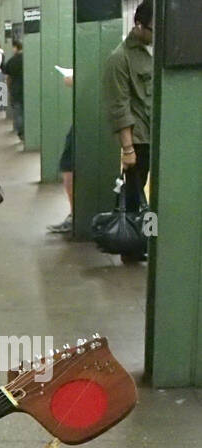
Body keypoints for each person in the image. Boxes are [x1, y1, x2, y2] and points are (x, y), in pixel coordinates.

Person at [105, 1, 153, 264]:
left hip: (160, 136)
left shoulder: (158, 51)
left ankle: (148, 239)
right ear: (138, 25)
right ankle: (137, 244)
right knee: (137, 196)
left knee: (152, 194)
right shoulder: (120, 58)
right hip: (140, 139)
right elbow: (120, 107)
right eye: (152, 29)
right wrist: (128, 149)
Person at [3, 38, 24, 140]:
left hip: (15, 90)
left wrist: (9, 89)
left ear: (15, 48)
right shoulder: (28, 59)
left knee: (18, 112)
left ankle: (21, 133)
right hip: (27, 90)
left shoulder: (11, 61)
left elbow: (8, 77)